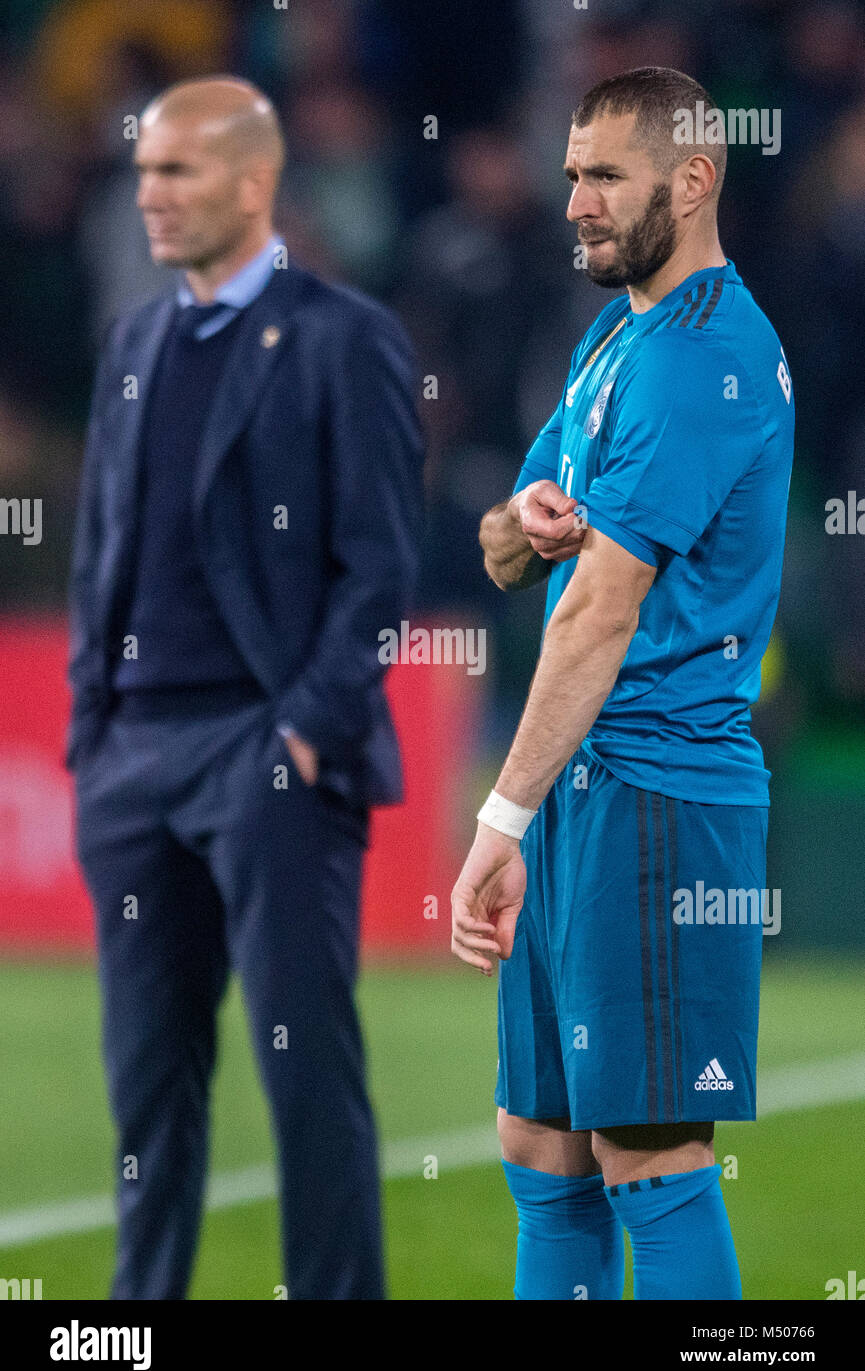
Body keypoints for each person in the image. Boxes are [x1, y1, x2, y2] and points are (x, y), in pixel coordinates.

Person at [67, 75, 423, 1300]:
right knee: (144, 1090)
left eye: (174, 171)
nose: (148, 196)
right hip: (135, 762)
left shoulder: (345, 337)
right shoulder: (134, 340)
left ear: (253, 181)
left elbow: (381, 563)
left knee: (306, 1078)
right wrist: (89, 739)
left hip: (264, 754)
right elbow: (98, 551)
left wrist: (308, 733)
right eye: (143, 171)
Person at [451, 67, 794, 1301]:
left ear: (692, 179)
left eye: (603, 175)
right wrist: (523, 518)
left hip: (659, 795)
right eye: (569, 176)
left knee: (648, 1157)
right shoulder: (615, 340)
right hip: (584, 791)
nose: (575, 204)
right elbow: (506, 549)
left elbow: (600, 609)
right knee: (542, 1150)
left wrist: (498, 820)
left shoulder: (708, 356)